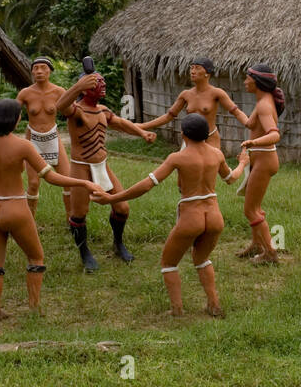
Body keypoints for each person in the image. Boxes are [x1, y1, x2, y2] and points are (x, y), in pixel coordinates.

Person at [0, 100, 107, 320]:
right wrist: (83, 183)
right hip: (15, 207)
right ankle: (34, 308)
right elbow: (51, 176)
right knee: (36, 259)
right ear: (17, 120)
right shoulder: (23, 146)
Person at [94, 114, 246, 317]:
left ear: (183, 134)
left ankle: (177, 310)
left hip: (192, 216)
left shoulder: (178, 158)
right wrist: (243, 163)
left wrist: (112, 198)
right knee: (202, 259)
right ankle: (214, 304)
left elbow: (147, 185)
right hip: (214, 215)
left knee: (169, 263)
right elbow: (230, 178)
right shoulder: (216, 154)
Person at [62, 70, 156, 271]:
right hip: (80, 167)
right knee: (79, 214)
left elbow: (122, 124)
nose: (103, 85)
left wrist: (142, 133)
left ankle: (118, 243)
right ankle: (84, 252)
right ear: (86, 87)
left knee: (122, 208)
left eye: (103, 81)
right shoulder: (76, 111)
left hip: (102, 165)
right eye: (98, 82)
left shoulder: (103, 111)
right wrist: (78, 86)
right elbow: (59, 106)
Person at [16, 57, 101, 218]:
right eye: (36, 68)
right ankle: (29, 222)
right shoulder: (25, 93)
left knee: (68, 180)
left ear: (50, 71)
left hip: (53, 138)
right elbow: (13, 114)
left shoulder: (59, 91)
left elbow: (74, 111)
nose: (39, 71)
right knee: (33, 184)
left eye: (43, 68)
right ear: (32, 72)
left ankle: (71, 217)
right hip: (33, 140)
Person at [138, 56, 249, 150]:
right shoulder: (186, 94)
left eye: (197, 68)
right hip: (190, 140)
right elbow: (168, 117)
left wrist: (250, 125)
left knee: (210, 172)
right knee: (186, 172)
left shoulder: (217, 93)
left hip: (210, 138)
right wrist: (143, 126)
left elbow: (237, 113)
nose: (192, 71)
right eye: (191, 68)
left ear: (207, 73)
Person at [235, 64, 284, 264]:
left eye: (248, 78)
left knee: (250, 210)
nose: (245, 82)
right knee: (254, 206)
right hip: (261, 160)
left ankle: (271, 254)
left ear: (258, 81)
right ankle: (257, 245)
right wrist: (231, 107)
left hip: (264, 160)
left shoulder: (264, 105)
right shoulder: (263, 101)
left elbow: (274, 134)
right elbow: (250, 124)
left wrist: (253, 142)